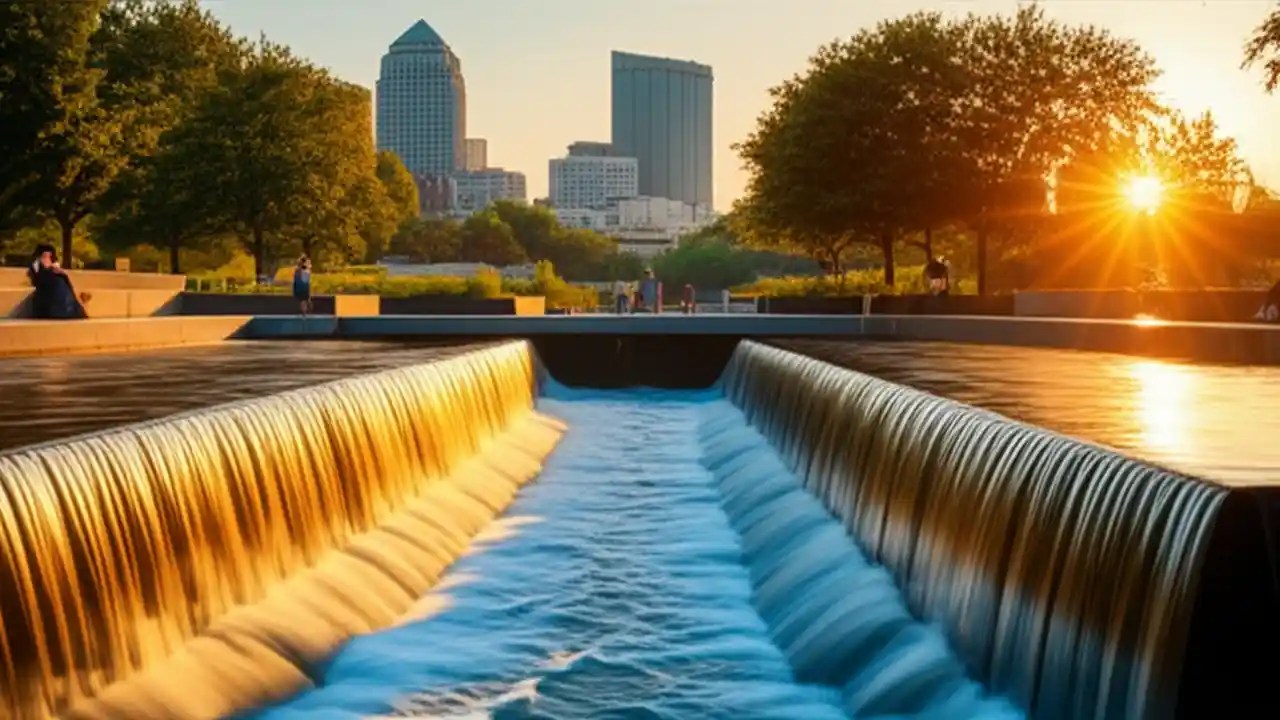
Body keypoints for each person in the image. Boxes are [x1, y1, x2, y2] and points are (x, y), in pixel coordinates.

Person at [27, 244, 87, 319]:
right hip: (49, 304)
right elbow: (37, 281)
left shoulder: (57, 270)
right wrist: (47, 269)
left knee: (60, 282)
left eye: (49, 256)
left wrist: (61, 273)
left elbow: (69, 286)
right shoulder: (36, 265)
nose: (47, 258)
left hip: (61, 304)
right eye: (45, 256)